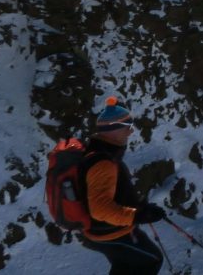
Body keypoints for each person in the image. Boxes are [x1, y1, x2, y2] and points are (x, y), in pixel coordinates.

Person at [80, 97, 168, 275]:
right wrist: (137, 216)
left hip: (102, 232)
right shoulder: (103, 162)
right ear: (113, 129)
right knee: (151, 260)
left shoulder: (99, 153)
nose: (130, 132)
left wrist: (138, 208)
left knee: (126, 266)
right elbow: (100, 208)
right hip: (109, 232)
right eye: (127, 127)